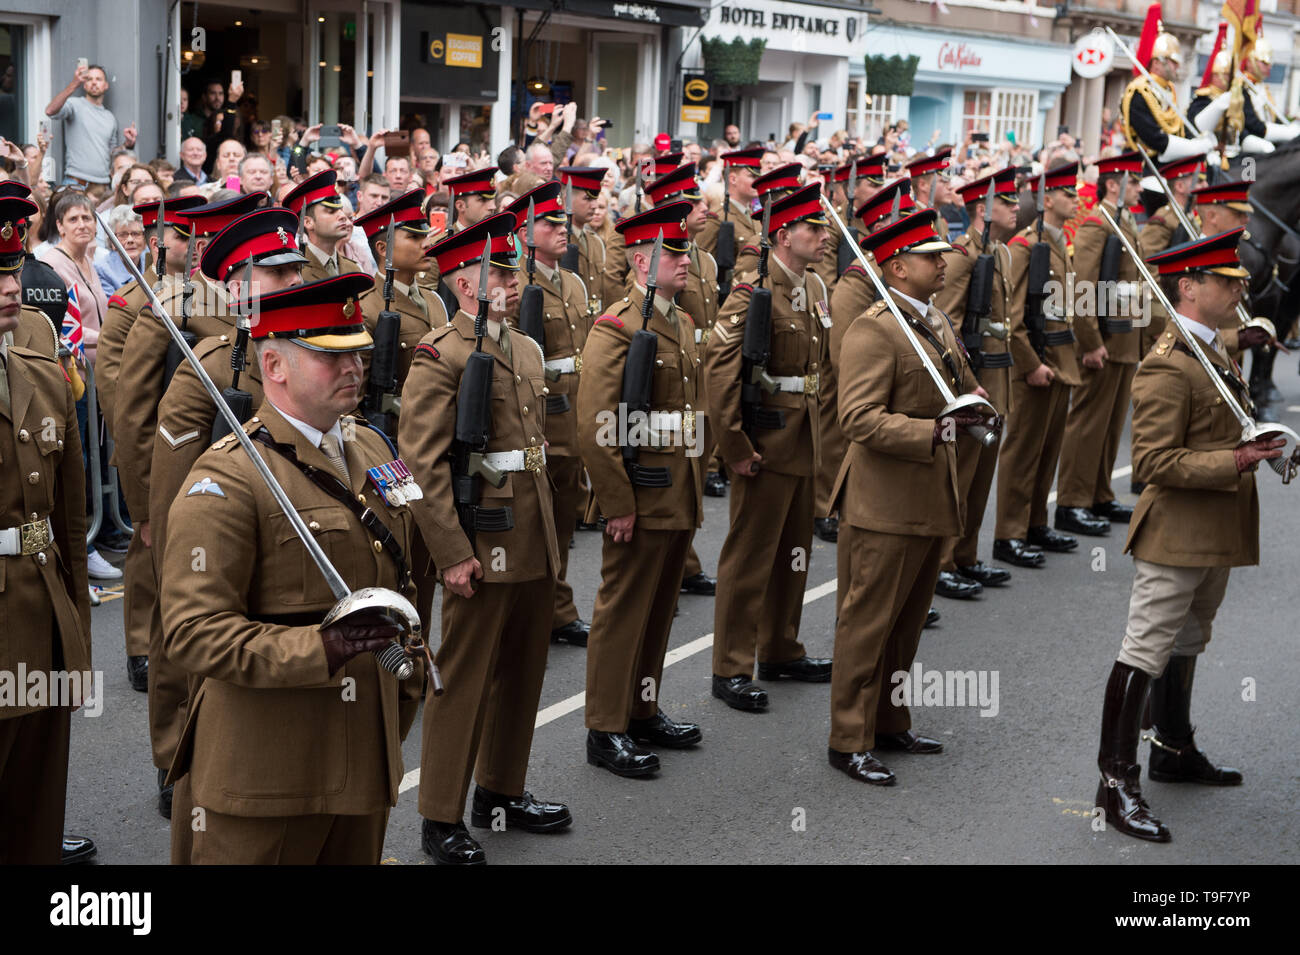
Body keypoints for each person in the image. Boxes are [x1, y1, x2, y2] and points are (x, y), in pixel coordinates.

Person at [159, 272, 423, 863]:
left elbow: (398, 570)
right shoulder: (228, 478)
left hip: (363, 755)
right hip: (269, 774)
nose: (354, 365)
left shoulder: (371, 447)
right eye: (331, 355)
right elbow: (192, 633)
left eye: (356, 349)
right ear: (274, 365)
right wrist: (324, 648)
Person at [1093, 228, 1275, 843]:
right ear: (1189, 287)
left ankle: (1171, 747)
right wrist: (1238, 461)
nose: (1238, 291)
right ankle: (1115, 784)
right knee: (1144, 648)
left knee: (1191, 637)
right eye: (1227, 282)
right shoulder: (1167, 365)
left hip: (1214, 527)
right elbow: (1151, 463)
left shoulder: (1210, 347)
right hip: (1176, 532)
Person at [401, 211, 569, 865]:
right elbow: (422, 463)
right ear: (465, 283)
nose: (512, 277)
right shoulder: (440, 353)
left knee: (524, 670)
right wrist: (452, 552)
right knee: (465, 678)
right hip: (480, 538)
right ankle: (440, 812)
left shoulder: (523, 347)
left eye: (511, 266)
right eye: (498, 270)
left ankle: (501, 789)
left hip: (531, 532)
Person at [143, 206, 307, 826]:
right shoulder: (210, 364)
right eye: (277, 274)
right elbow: (172, 478)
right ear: (238, 285)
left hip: (286, 531)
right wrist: (174, 556)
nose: (293, 282)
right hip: (218, 528)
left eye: (295, 270)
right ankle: (172, 754)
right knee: (183, 634)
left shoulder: (303, 351)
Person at [827, 209, 982, 786]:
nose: (942, 264)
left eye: (941, 256)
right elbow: (859, 418)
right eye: (930, 257)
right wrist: (933, 431)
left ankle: (890, 721)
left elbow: (957, 385)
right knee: (867, 623)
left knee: (907, 622)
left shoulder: (934, 321)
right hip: (883, 501)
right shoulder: (875, 328)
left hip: (929, 495)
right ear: (897, 265)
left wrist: (974, 402)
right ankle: (849, 737)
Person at [578, 201, 704, 777]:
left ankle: (642, 707)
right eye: (672, 255)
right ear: (638, 259)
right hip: (642, 491)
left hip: (678, 489)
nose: (685, 263)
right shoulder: (616, 327)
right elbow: (596, 425)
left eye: (684, 253)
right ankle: (606, 728)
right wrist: (618, 503)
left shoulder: (680, 320)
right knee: (624, 609)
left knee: (659, 610)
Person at [705, 183, 833, 712]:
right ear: (783, 235)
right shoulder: (751, 293)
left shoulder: (815, 287)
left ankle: (781, 647)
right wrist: (734, 446)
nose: (824, 237)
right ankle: (731, 666)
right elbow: (720, 371)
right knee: (750, 556)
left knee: (794, 553)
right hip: (765, 441)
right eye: (813, 229)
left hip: (804, 439)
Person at [0, 193, 93, 863]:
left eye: (12, 270)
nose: (11, 289)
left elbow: (67, 513)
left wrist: (77, 628)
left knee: (33, 808)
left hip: (40, 610)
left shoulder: (35, 353)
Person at [503, 182, 592, 646]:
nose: (562, 230)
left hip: (575, 419)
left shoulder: (572, 281)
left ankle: (556, 606)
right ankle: (541, 608)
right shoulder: (516, 282)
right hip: (541, 419)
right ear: (525, 231)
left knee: (563, 521)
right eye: (550, 224)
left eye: (563, 222)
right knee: (533, 523)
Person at [932, 167, 1019, 597]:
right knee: (962, 476)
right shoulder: (961, 254)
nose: (1018, 208)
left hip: (997, 375)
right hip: (973, 381)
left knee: (982, 476)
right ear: (983, 209)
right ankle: (943, 561)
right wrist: (960, 389)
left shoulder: (1000, 254)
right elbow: (947, 324)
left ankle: (966, 555)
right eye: (1008, 202)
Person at [993, 161, 1083, 567]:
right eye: (1068, 193)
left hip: (1059, 361)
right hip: (1035, 366)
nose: (1076, 198)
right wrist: (1029, 364)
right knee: (1023, 450)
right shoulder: (1024, 248)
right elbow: (1012, 318)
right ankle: (1008, 534)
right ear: (1047, 199)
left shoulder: (1059, 241)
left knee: (1048, 450)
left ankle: (1034, 523)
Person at [1055, 152, 1146, 540]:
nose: (1140, 187)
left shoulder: (1124, 220)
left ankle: (1099, 493)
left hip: (1126, 339)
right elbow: (1083, 289)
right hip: (1105, 340)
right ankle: (1072, 501)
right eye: (1135, 180)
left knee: (1110, 425)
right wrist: (1090, 342)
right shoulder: (1097, 223)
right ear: (1114, 183)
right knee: (1089, 422)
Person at [644, 161, 717, 596]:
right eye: (693, 205)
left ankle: (682, 563)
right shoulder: (660, 258)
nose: (703, 209)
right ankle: (677, 566)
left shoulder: (701, 258)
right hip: (667, 364)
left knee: (693, 470)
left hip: (695, 359)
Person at [355, 188, 446, 394]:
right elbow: (354, 400)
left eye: (425, 235)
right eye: (414, 237)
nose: (426, 244)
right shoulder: (366, 308)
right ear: (383, 249)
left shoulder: (433, 300)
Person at [44, 62, 137, 188]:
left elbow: (112, 153)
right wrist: (73, 85)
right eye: (89, 79)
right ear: (84, 84)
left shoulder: (110, 118)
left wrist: (127, 144)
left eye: (98, 79)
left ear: (106, 85)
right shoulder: (74, 105)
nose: (94, 82)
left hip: (103, 185)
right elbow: (50, 111)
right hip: (76, 183)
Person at [285, 169, 361, 281]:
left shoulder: (353, 269)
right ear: (308, 222)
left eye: (340, 210)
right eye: (331, 211)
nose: (342, 216)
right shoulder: (295, 272)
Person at [557, 166, 608, 319]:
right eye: (587, 199)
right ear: (566, 199)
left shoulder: (596, 242)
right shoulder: (557, 240)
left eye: (595, 198)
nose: (594, 205)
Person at [94, 203, 146, 298]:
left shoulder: (152, 263)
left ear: (144, 239)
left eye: (135, 234)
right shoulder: (102, 270)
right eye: (123, 235)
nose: (130, 240)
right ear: (113, 242)